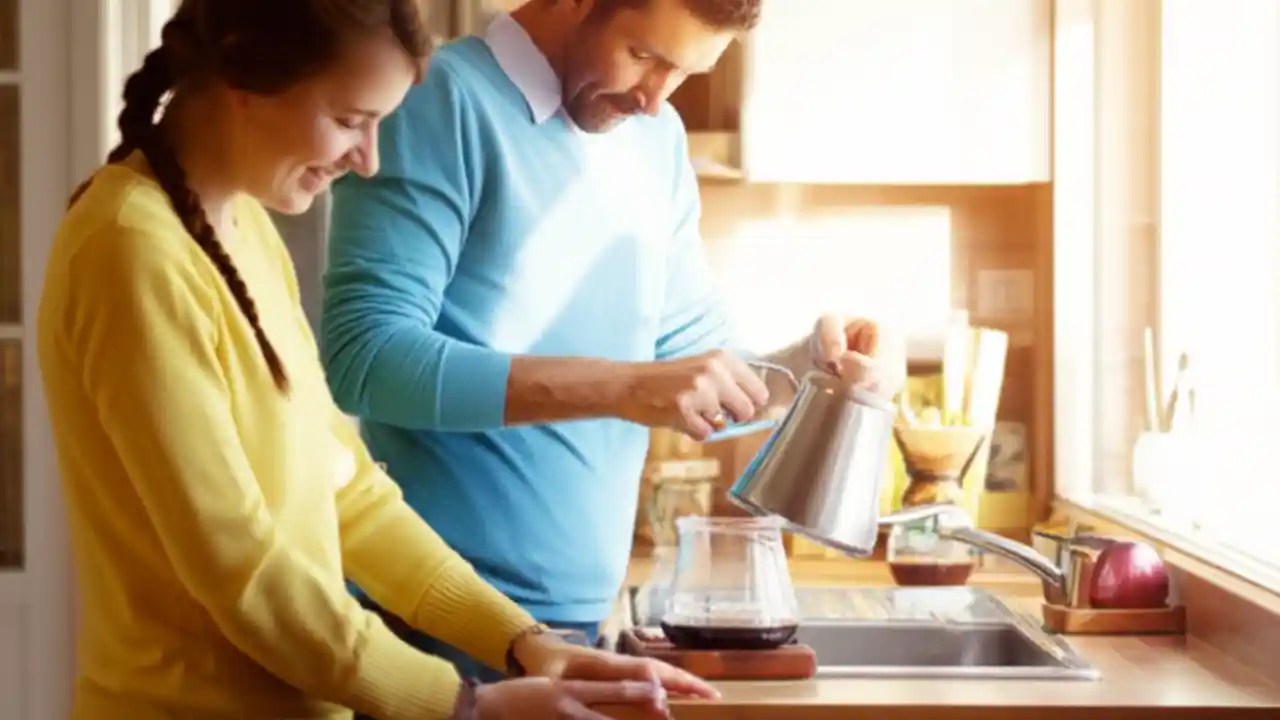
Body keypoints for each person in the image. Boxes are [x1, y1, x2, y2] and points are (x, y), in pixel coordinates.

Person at [35, 1, 718, 718]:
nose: (369, 159)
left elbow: (350, 496)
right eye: (352, 120)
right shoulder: (130, 249)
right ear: (247, 80)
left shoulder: (243, 232)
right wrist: (464, 706)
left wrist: (524, 641)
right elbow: (243, 568)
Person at [322, 0, 908, 682]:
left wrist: (821, 368)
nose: (655, 98)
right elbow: (364, 356)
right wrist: (628, 388)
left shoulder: (654, 143)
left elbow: (695, 378)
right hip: (437, 625)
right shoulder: (440, 100)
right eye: (645, 55)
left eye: (684, 73)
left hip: (578, 629)